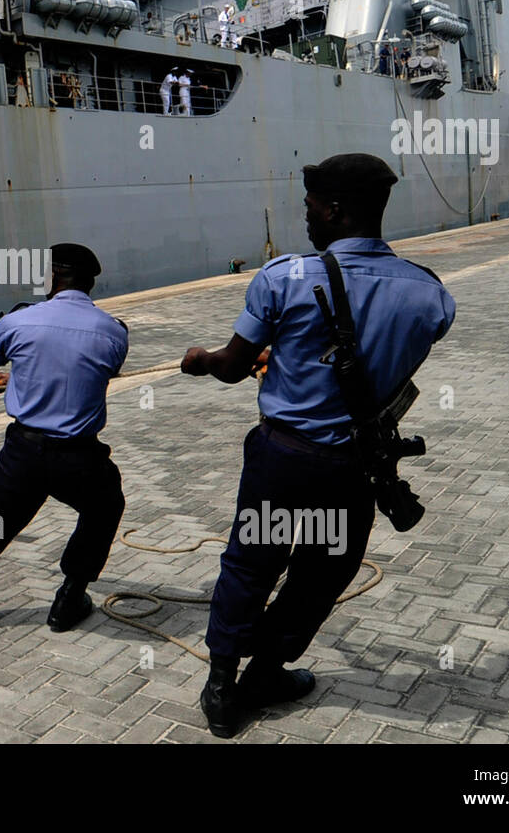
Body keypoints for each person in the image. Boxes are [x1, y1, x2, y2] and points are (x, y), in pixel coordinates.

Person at [179, 153, 456, 738]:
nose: (305, 220)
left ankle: (223, 687)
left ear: (334, 209)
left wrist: (202, 361)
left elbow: (232, 367)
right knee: (320, 576)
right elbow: (388, 361)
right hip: (353, 468)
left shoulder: (284, 276)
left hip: (282, 461)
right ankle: (267, 673)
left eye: (310, 208)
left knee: (251, 566)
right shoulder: (429, 294)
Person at [0, 243, 129, 637]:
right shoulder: (113, 331)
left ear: (53, 276)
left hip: (24, 452)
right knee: (105, 507)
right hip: (79, 456)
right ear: (89, 282)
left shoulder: (17, 323)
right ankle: (70, 597)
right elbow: (83, 373)